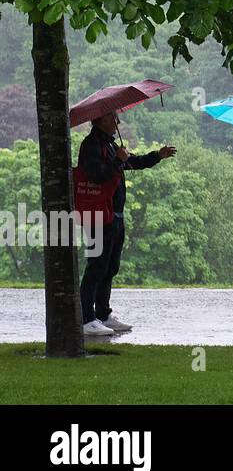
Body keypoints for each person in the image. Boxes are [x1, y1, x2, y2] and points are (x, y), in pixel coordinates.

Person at [76, 112, 176, 336]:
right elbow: (97, 175)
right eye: (113, 118)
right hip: (98, 215)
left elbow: (133, 162)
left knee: (110, 267)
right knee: (96, 266)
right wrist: (118, 160)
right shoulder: (91, 145)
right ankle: (86, 318)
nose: (117, 122)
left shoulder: (110, 145)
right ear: (100, 119)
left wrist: (157, 156)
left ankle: (103, 314)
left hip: (115, 216)